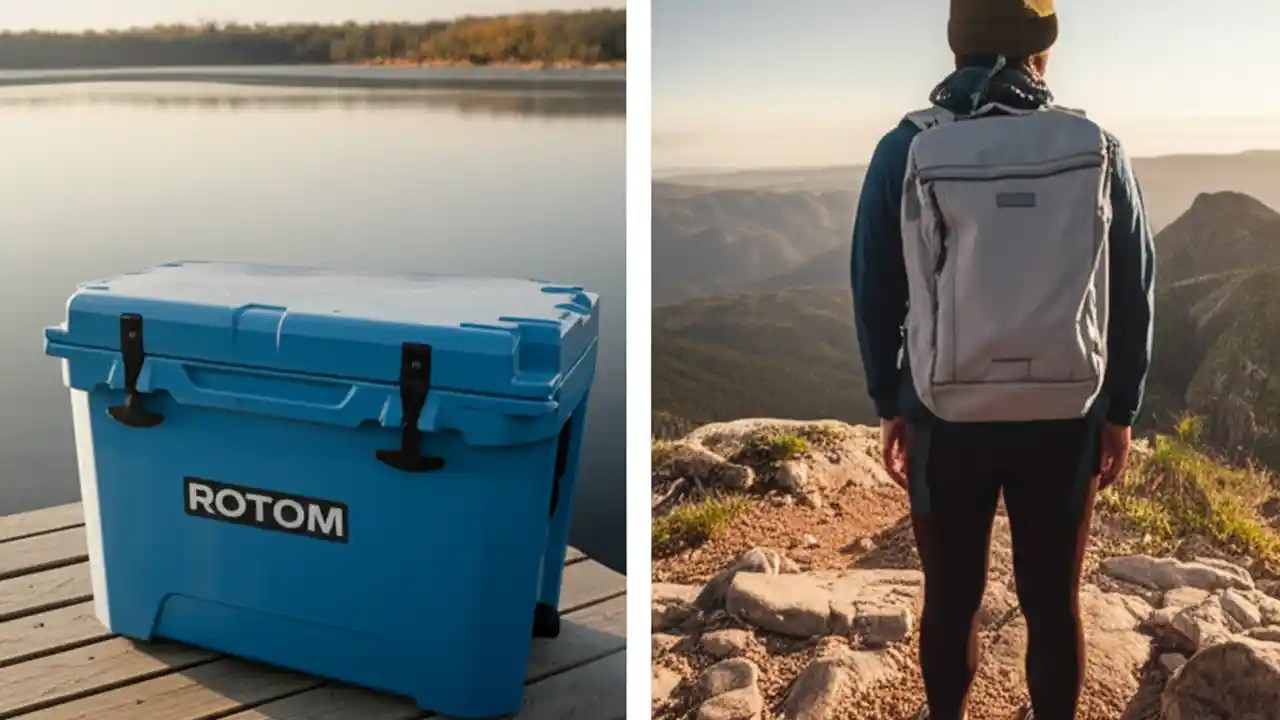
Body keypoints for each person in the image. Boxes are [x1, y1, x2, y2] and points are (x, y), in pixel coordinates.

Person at [849, 1, 1155, 719]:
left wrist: (889, 401)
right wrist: (1121, 413)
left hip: (941, 413)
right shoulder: (1098, 145)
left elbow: (874, 284)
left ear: (957, 48)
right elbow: (1134, 286)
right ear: (1040, 53)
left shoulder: (907, 146)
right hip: (1064, 415)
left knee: (951, 599)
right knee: (1052, 602)